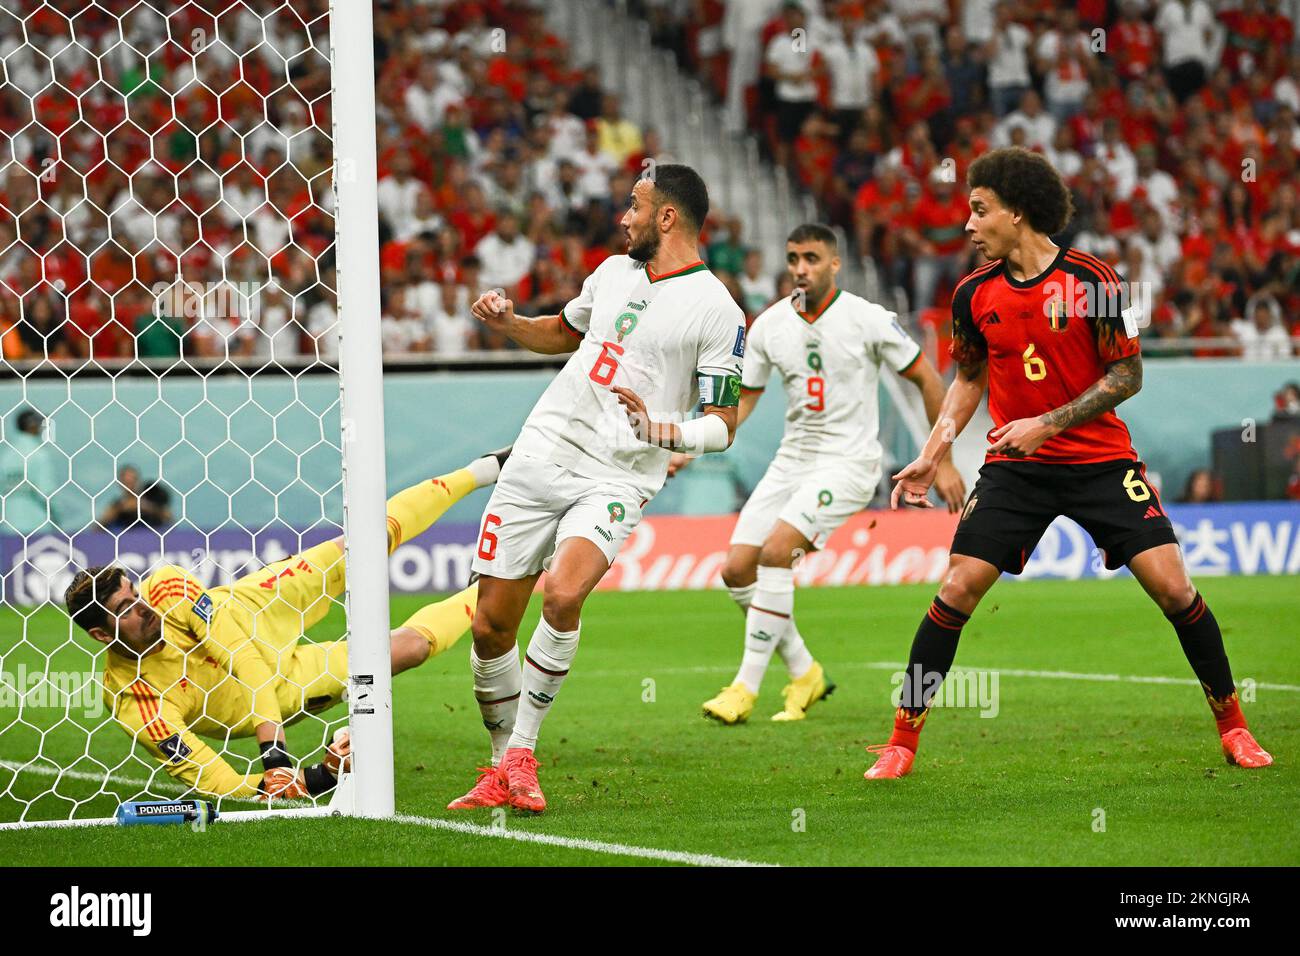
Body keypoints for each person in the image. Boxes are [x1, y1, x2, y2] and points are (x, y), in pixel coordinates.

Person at [865, 147, 1272, 780]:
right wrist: (933, 452)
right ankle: (900, 743)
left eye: (979, 211)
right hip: (1016, 468)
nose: (967, 225)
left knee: (1173, 588)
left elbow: (1129, 374)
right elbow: (968, 377)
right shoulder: (973, 292)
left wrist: (1049, 423)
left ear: (1018, 213)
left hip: (1100, 461)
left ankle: (1234, 729)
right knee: (956, 588)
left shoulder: (1095, 282)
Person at [449, 165, 746, 814]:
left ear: (667, 217)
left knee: (561, 593)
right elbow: (563, 330)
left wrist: (661, 430)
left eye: (634, 207)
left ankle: (524, 751)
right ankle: (500, 766)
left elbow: (722, 427)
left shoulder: (718, 311)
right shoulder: (612, 273)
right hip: (541, 454)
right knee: (491, 628)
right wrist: (510, 323)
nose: (624, 218)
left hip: (618, 472)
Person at [63, 451, 508, 800]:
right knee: (408, 651)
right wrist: (315, 776)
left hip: (261, 606)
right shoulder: (134, 701)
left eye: (134, 594)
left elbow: (240, 654)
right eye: (125, 609)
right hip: (282, 687)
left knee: (367, 541)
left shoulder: (166, 586)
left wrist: (273, 754)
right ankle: (499, 583)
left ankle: (485, 469)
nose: (143, 608)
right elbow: (213, 779)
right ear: (101, 635)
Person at [673, 223, 965, 725]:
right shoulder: (768, 325)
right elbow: (744, 401)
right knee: (736, 570)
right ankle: (805, 672)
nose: (800, 268)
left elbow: (927, 377)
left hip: (849, 463)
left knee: (775, 551)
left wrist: (943, 460)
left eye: (811, 258)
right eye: (792, 259)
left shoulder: (868, 319)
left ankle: (745, 687)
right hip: (792, 462)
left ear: (834, 264)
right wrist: (693, 444)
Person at [0, 407, 63, 536]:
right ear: (32, 426)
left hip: (8, 526)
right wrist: (58, 516)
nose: (41, 428)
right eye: (40, 424)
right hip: (37, 526)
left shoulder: (5, 455)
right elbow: (47, 492)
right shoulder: (39, 454)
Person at [97, 465, 173, 531]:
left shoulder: (150, 497)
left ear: (137, 480)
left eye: (132, 480)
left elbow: (169, 518)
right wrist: (119, 509)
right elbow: (98, 526)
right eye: (126, 482)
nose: (129, 485)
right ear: (120, 483)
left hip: (151, 536)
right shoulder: (117, 505)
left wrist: (145, 506)